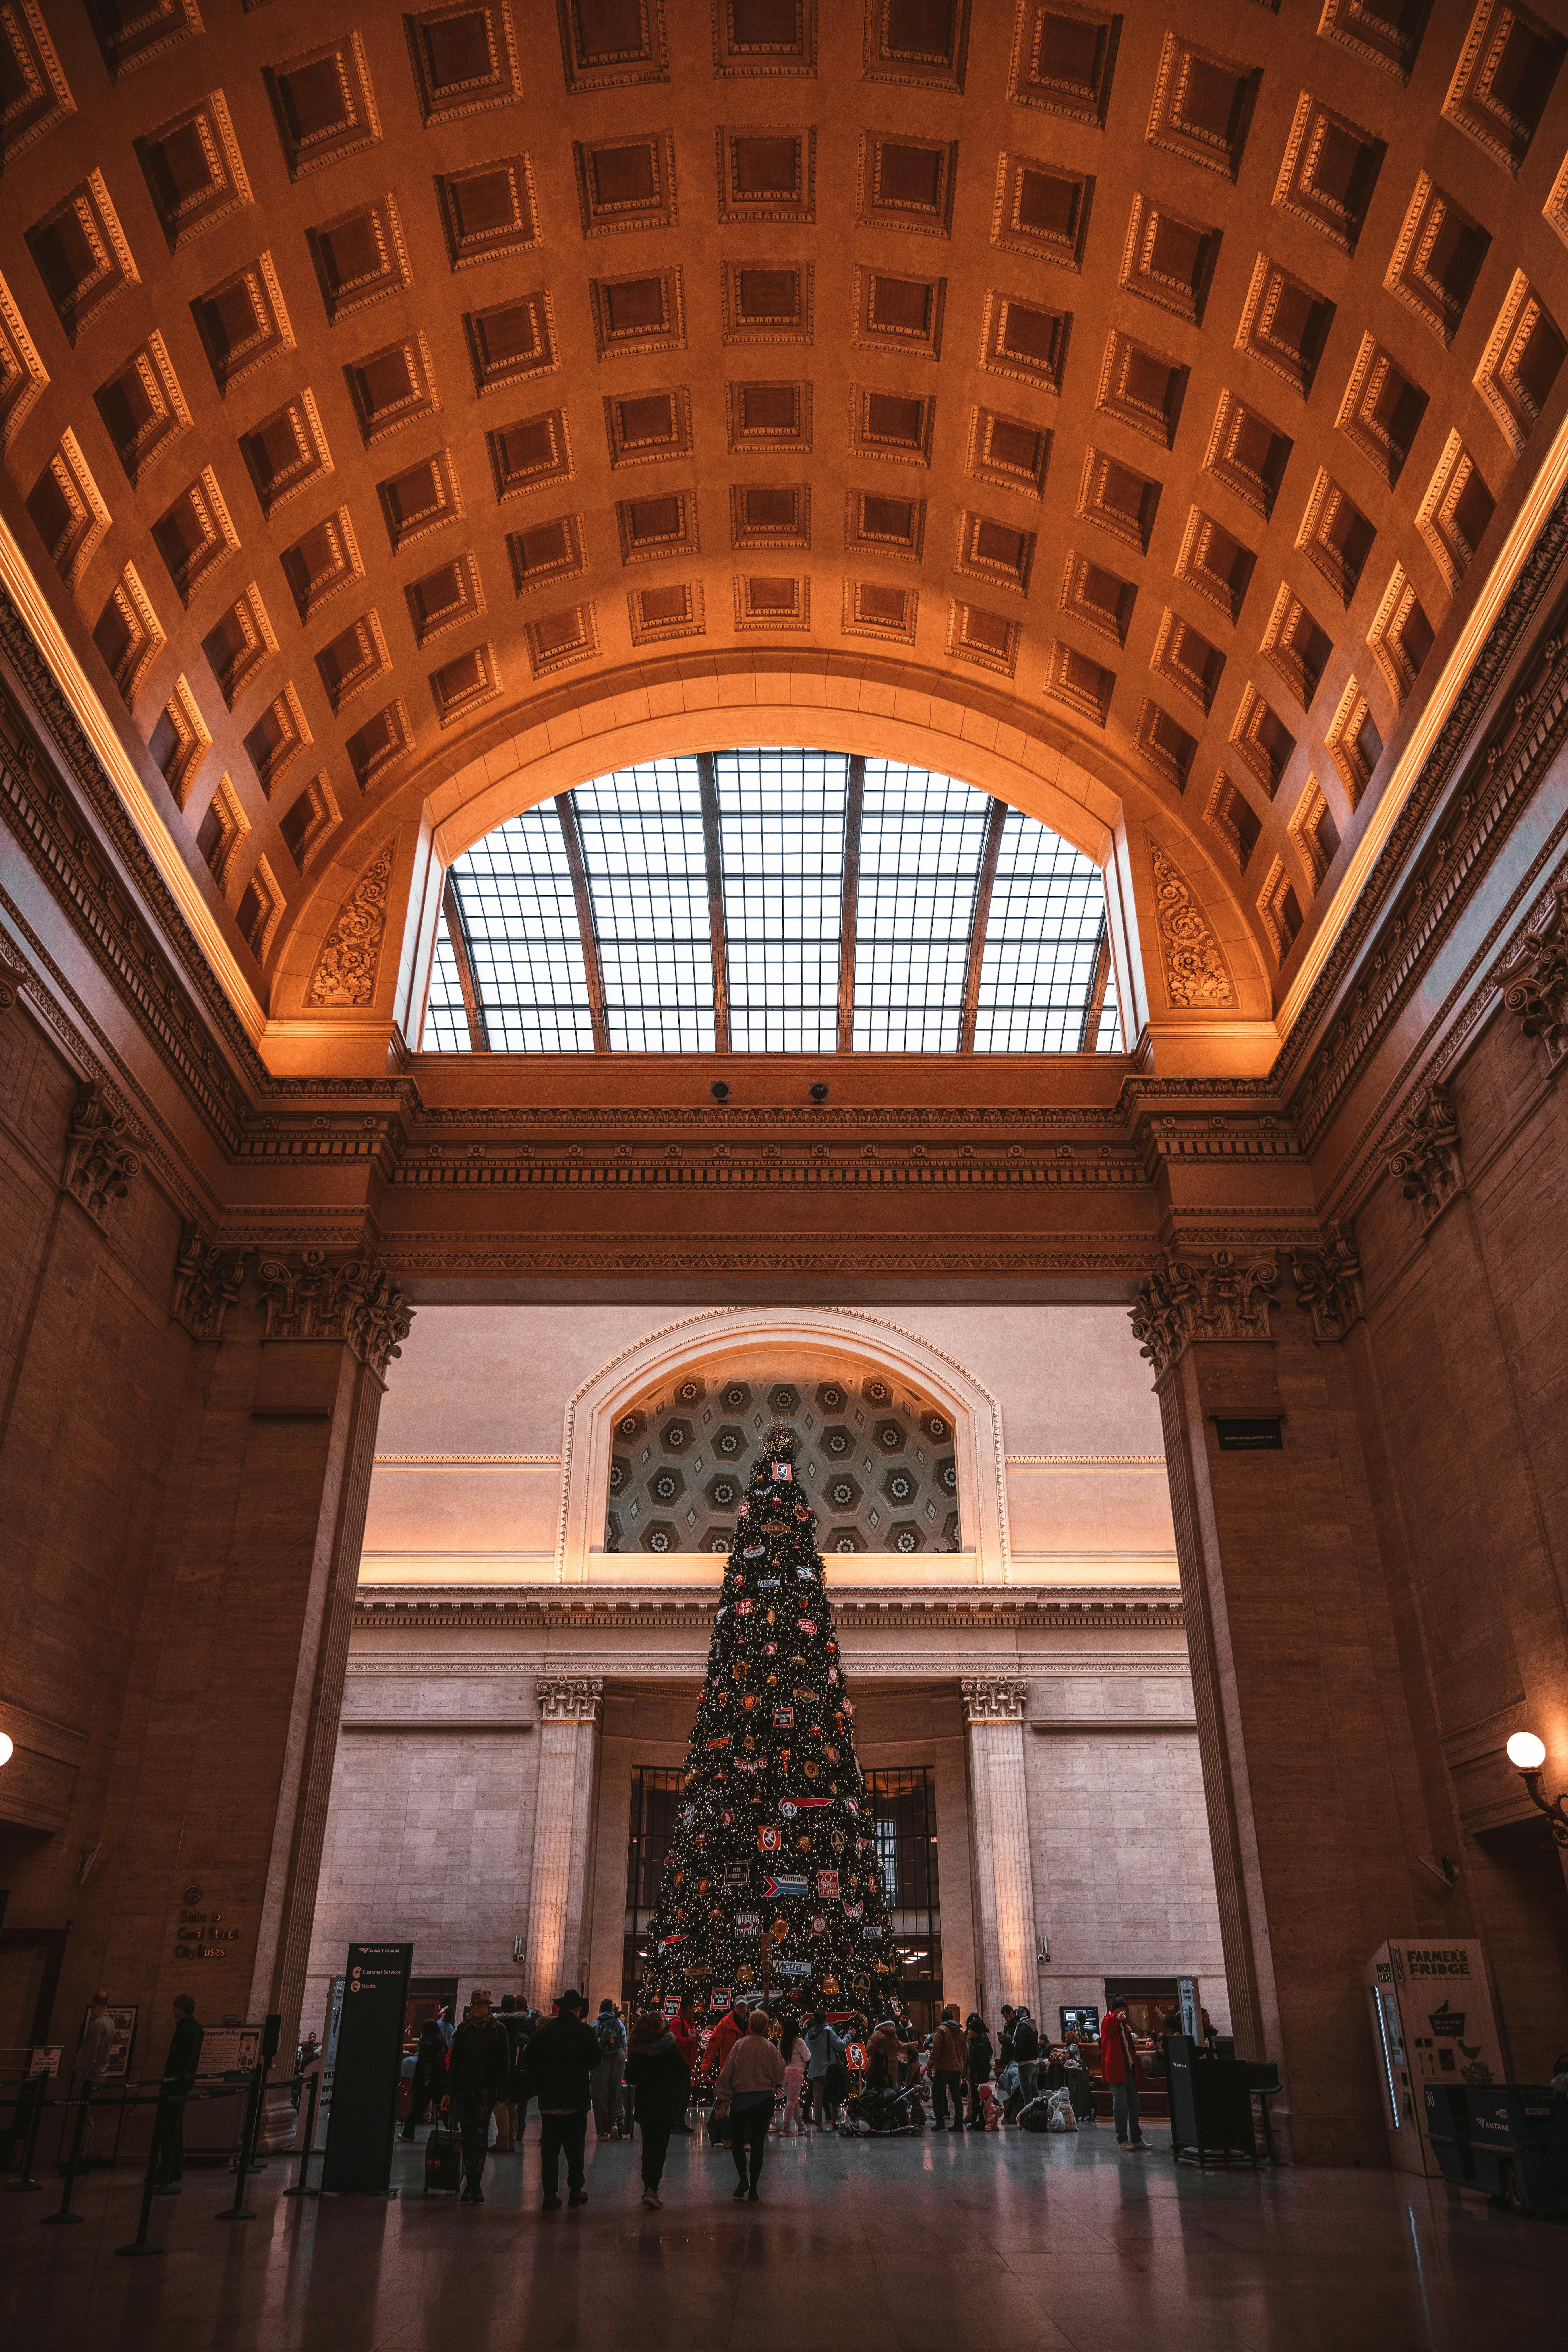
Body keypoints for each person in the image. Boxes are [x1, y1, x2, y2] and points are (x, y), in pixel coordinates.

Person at [519, 1990, 602, 2210]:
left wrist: (543, 2077)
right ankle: (575, 2191)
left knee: (550, 2151)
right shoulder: (585, 2032)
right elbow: (595, 2060)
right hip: (576, 2100)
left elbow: (527, 2059)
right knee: (575, 2149)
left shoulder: (545, 2031)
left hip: (550, 2100)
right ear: (577, 2010)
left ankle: (550, 2194)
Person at [445, 1990, 509, 2204]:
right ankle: (470, 2180)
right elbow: (454, 2064)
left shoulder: (499, 2030)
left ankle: (475, 2182)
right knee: (467, 2134)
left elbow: (504, 2065)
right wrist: (449, 2092)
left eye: (480, 2005)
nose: (476, 2009)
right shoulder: (463, 2030)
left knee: (480, 2135)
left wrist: (502, 2094)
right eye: (474, 2005)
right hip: (465, 2090)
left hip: (486, 2091)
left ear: (488, 2006)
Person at [624, 2007, 689, 2207]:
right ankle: (653, 2188)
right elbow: (682, 2070)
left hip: (645, 2103)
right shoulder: (668, 2046)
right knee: (660, 2147)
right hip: (666, 2102)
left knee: (648, 2145)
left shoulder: (637, 2047)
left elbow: (631, 2077)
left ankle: (647, 2188)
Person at [718, 2010, 785, 2202]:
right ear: (765, 2027)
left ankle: (743, 2178)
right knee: (758, 2144)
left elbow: (727, 2070)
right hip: (764, 2100)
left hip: (741, 2100)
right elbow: (781, 2074)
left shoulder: (740, 2045)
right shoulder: (770, 2047)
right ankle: (755, 2188)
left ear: (750, 2025)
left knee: (737, 2141)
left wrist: (721, 2094)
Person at [151, 1993, 203, 2193]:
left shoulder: (184, 2029)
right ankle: (176, 2169)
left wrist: (167, 2084)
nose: (172, 2010)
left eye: (175, 2007)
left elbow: (176, 2059)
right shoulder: (197, 2029)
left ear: (182, 2010)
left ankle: (167, 2172)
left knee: (168, 2129)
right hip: (185, 2083)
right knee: (176, 2127)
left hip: (174, 2085)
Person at [1101, 1998, 1150, 2152]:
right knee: (1121, 2106)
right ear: (1114, 2010)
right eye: (1119, 2009)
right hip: (1116, 2071)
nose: (1123, 2012)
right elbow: (1109, 2027)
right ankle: (1122, 2140)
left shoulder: (1123, 2025)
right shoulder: (1107, 2021)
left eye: (1124, 2009)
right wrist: (1117, 2018)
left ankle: (1136, 2138)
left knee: (1135, 2105)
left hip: (1129, 2069)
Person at [72, 1993, 117, 2160]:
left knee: (85, 2118)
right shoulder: (110, 2023)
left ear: (94, 2005)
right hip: (100, 2076)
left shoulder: (98, 2025)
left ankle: (82, 2155)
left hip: (91, 2077)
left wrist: (81, 2078)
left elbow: (92, 2055)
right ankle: (87, 2152)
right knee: (90, 2117)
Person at [401, 2019, 447, 2141]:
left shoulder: (426, 2044)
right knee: (444, 2110)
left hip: (425, 2083)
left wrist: (426, 2078)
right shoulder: (442, 2043)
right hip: (439, 2082)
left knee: (416, 2110)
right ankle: (452, 2132)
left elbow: (425, 2062)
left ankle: (408, 2135)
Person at [802, 2009, 848, 2130]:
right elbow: (840, 2046)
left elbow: (808, 2052)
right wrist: (849, 2036)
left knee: (817, 2096)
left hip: (815, 2069)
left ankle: (819, 2125)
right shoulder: (828, 2031)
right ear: (825, 2019)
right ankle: (834, 2123)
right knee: (833, 2094)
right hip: (829, 2069)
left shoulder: (808, 2035)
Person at [496, 1995, 533, 2146]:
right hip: (519, 2071)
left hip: (503, 2070)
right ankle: (514, 2136)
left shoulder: (499, 2026)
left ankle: (504, 2139)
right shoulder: (524, 2024)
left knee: (500, 2105)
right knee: (514, 2106)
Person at [591, 1998, 627, 2140]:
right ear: (613, 2011)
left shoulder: (596, 2023)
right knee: (616, 2090)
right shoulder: (619, 2023)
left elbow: (592, 2043)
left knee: (601, 2093)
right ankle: (616, 2123)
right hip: (618, 2056)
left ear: (600, 2011)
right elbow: (624, 2041)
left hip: (602, 2057)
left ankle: (602, 2131)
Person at [929, 2004, 966, 2130]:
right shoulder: (961, 2032)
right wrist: (962, 2067)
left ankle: (940, 2122)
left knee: (937, 2094)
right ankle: (959, 2123)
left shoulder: (942, 2030)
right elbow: (965, 2051)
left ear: (942, 2018)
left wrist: (930, 2065)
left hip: (944, 2068)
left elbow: (936, 2050)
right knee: (957, 2097)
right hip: (956, 2068)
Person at [670, 1995, 700, 2129]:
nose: (695, 2010)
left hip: (687, 2065)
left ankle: (681, 2122)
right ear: (689, 2008)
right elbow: (675, 2040)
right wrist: (691, 2041)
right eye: (694, 2007)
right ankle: (675, 2123)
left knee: (685, 2096)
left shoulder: (690, 2022)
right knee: (678, 2096)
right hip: (679, 2065)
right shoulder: (677, 2022)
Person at [776, 2017, 807, 2135]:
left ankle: (801, 2127)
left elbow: (780, 2057)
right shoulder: (798, 2042)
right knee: (792, 2101)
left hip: (784, 2074)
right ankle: (786, 2127)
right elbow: (808, 2056)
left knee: (794, 2101)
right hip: (796, 2074)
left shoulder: (781, 2041)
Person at [964, 2012, 993, 2129]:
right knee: (977, 2100)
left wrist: (977, 2079)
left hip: (979, 2078)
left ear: (975, 2031)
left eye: (971, 2030)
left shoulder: (981, 2044)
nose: (969, 2032)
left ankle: (981, 2121)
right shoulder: (977, 2041)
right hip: (976, 2076)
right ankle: (977, 2120)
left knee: (979, 2100)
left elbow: (981, 2065)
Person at [1011, 2006, 1041, 2115]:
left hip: (1025, 2064)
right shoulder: (1033, 2027)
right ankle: (1037, 2114)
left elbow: (1020, 2046)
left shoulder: (1022, 2027)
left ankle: (1028, 2117)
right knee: (1034, 2092)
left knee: (1027, 2094)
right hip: (1035, 2063)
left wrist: (1015, 2058)